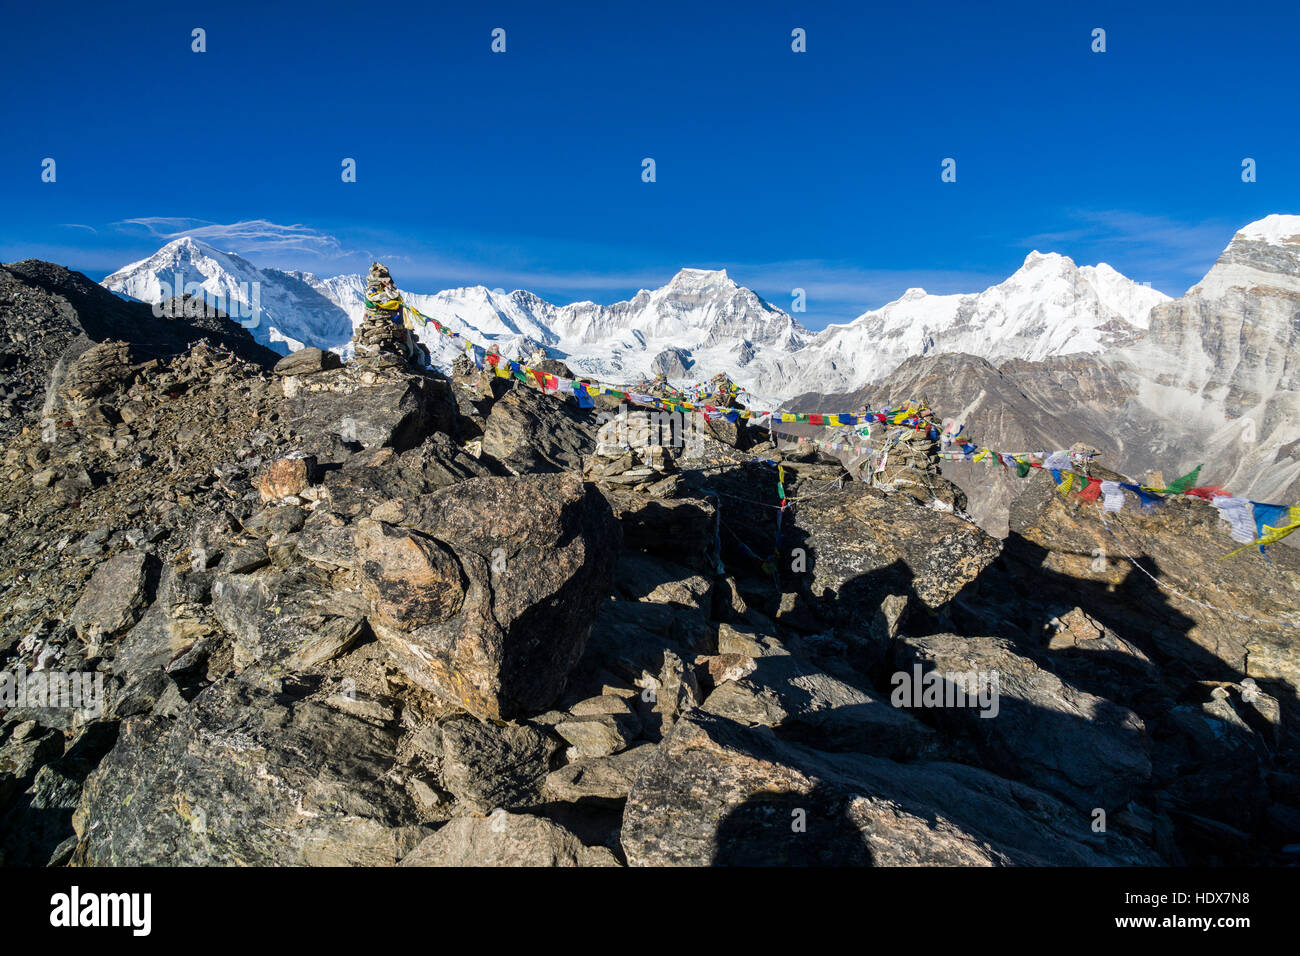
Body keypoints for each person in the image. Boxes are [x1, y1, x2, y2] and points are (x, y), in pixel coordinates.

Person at [364, 262, 430, 368]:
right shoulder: (372, 292)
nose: (387, 283)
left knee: (409, 345)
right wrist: (386, 294)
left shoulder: (392, 293)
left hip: (394, 322)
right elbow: (373, 298)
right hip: (382, 320)